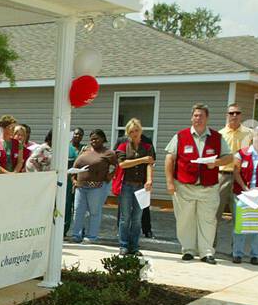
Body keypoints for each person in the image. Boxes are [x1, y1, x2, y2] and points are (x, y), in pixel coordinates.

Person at [165, 104, 236, 263]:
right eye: (195, 116)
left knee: (208, 220)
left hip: (208, 187)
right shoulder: (181, 136)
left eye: (201, 116)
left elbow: (229, 157)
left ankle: (206, 252)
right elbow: (170, 158)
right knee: (185, 219)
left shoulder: (217, 137)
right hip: (184, 186)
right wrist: (170, 182)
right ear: (192, 118)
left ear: (207, 118)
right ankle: (188, 250)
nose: (198, 118)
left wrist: (217, 162)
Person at [230, 127, 258, 265]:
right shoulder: (241, 153)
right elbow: (236, 172)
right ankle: (237, 253)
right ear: (252, 137)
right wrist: (245, 188)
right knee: (240, 224)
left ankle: (255, 255)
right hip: (243, 194)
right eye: (257, 136)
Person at [113, 118, 155, 255]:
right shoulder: (123, 145)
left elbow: (150, 164)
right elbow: (122, 164)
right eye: (131, 131)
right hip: (126, 185)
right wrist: (142, 159)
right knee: (125, 217)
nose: (134, 133)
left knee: (137, 217)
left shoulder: (147, 146)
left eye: (136, 130)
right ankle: (124, 245)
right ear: (128, 133)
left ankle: (135, 246)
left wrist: (149, 180)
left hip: (141, 186)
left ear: (140, 130)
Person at [70, 130, 114, 243]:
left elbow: (117, 166)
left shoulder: (108, 153)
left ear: (103, 139)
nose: (93, 141)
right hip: (80, 186)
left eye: (96, 138)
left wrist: (110, 176)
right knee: (78, 210)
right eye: (92, 139)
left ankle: (92, 236)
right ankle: (76, 234)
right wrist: (74, 180)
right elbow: (76, 166)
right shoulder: (84, 151)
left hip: (97, 187)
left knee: (94, 212)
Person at [219, 103, 253, 220]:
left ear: (241, 115)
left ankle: (238, 239)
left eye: (237, 113)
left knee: (240, 216)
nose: (234, 115)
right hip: (222, 176)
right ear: (227, 115)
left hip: (242, 177)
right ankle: (212, 239)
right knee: (215, 214)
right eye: (231, 113)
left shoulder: (250, 134)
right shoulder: (219, 134)